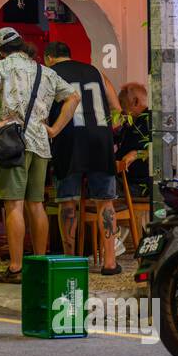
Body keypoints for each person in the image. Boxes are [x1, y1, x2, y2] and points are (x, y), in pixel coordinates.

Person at [0, 27, 79, 283]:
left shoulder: (0, 67)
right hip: (41, 142)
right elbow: (74, 97)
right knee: (36, 204)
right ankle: (39, 262)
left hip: (12, 142)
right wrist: (54, 129)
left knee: (14, 204)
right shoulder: (44, 71)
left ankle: (15, 268)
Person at [43, 41, 123, 276]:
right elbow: (116, 110)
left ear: (49, 58)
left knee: (68, 202)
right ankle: (109, 262)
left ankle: (70, 262)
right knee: (105, 202)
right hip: (101, 140)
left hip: (68, 139)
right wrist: (107, 131)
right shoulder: (95, 71)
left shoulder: (49, 73)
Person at [115, 82, 152, 197]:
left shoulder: (150, 121)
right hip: (125, 180)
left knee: (100, 185)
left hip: (139, 185)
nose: (121, 110)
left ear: (135, 102)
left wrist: (137, 154)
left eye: (122, 104)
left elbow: (160, 151)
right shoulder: (131, 123)